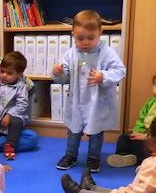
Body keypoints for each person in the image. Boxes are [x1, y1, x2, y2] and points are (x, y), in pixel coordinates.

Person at [51, 10, 127, 173]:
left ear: (100, 32)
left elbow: (120, 71)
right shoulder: (71, 53)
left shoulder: (106, 52)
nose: (85, 42)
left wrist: (103, 76)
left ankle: (93, 158)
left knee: (96, 131)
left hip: (96, 101)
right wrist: (58, 73)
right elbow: (65, 79)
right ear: (73, 35)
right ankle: (70, 155)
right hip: (77, 100)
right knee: (73, 129)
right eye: (80, 38)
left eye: (90, 38)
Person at [0, 51, 30, 160]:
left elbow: (22, 104)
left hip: (11, 123)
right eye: (2, 71)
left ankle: (9, 145)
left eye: (9, 73)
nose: (4, 75)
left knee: (31, 137)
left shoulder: (22, 86)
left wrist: (9, 115)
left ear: (19, 74)